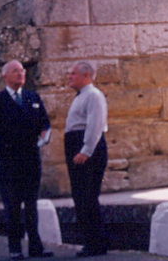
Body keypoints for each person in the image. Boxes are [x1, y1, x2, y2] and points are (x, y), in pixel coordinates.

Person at [0, 59, 53, 260]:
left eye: (22, 71)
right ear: (5, 76)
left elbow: (45, 124)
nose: (20, 74)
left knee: (31, 204)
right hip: (9, 161)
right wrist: (3, 146)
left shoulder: (33, 98)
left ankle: (36, 247)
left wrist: (43, 138)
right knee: (12, 206)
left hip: (31, 159)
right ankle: (15, 248)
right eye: (15, 71)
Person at [64, 61, 109, 257]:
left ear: (86, 75)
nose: (69, 77)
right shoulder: (81, 96)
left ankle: (96, 242)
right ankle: (91, 241)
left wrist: (86, 150)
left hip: (86, 148)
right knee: (80, 196)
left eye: (73, 73)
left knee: (87, 195)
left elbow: (94, 125)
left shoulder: (93, 95)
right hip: (77, 145)